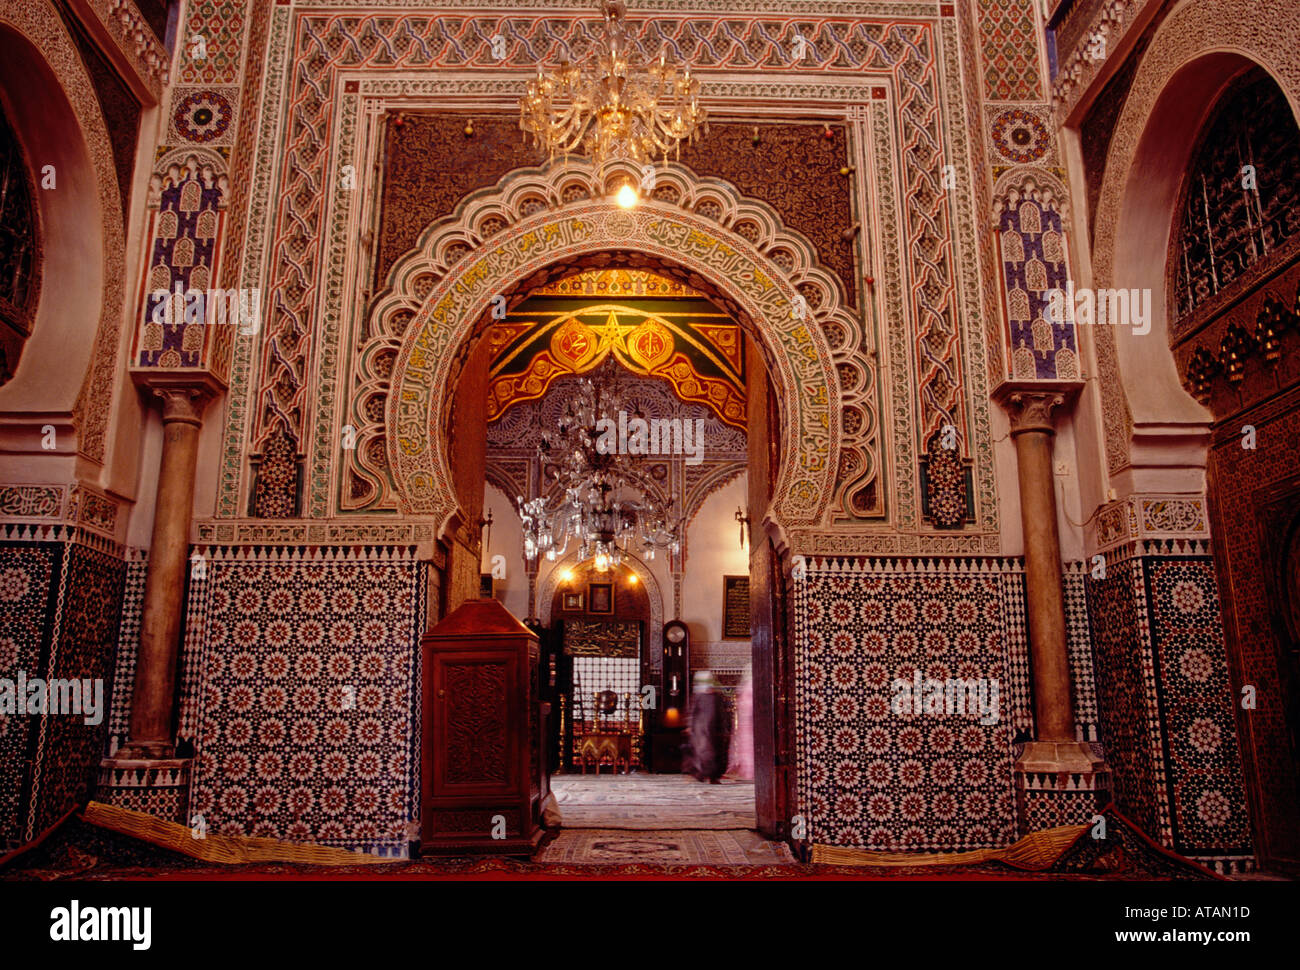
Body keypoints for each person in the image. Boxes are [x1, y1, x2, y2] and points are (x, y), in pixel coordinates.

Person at [685, 671, 731, 783]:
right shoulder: (699, 696)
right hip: (702, 729)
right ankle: (703, 773)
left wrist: (725, 729)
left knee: (715, 752)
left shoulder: (716, 697)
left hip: (715, 730)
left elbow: (722, 714)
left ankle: (712, 776)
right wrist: (690, 726)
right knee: (704, 752)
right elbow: (693, 713)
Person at [725, 668, 754, 780]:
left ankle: (749, 771)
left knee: (749, 746)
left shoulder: (749, 687)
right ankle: (749, 771)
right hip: (748, 723)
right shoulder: (750, 686)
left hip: (749, 723)